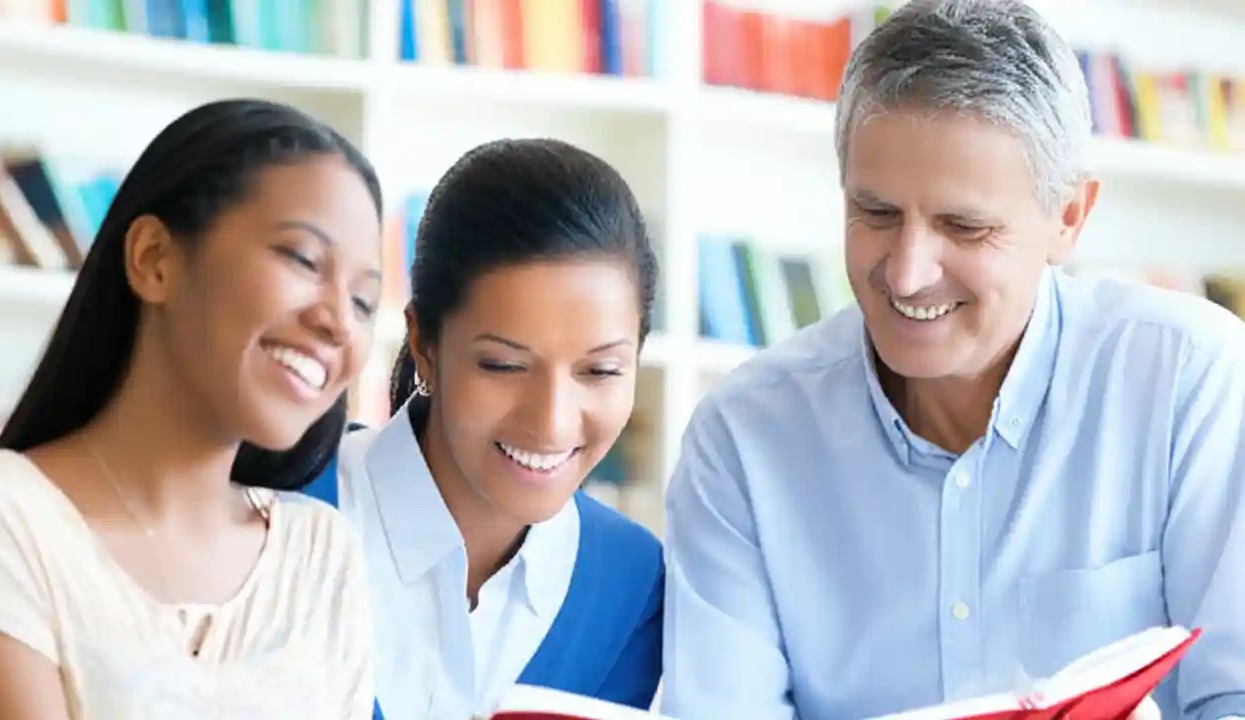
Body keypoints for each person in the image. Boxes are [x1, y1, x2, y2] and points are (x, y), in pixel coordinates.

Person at [660, 1, 1245, 719]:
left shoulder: (1190, 381)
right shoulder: (743, 438)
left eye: (963, 227)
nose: (906, 274)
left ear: (1069, 218)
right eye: (875, 213)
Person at [0, 99, 384, 719]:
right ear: (154, 259)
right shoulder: (0, 520)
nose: (336, 321)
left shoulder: (322, 557)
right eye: (302, 260)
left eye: (364, 302)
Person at [301, 137, 664, 719]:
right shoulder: (284, 506)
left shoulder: (630, 584)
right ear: (424, 344)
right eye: (503, 365)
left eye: (599, 370)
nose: (550, 422)